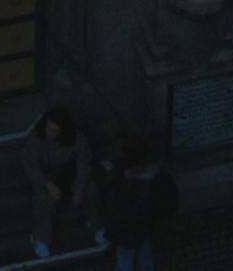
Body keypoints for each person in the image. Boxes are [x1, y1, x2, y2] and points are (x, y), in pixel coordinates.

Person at [24, 100, 95, 257]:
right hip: (46, 177)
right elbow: (32, 167)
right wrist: (48, 184)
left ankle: (96, 225)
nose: (50, 133)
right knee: (43, 200)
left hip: (68, 174)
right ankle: (41, 238)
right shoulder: (36, 138)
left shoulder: (75, 137)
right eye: (48, 128)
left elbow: (84, 162)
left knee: (90, 189)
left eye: (55, 131)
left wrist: (79, 188)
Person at [101, 134, 179, 271]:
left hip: (127, 231)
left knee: (128, 261)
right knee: (141, 259)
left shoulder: (121, 178)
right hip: (139, 229)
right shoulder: (150, 183)